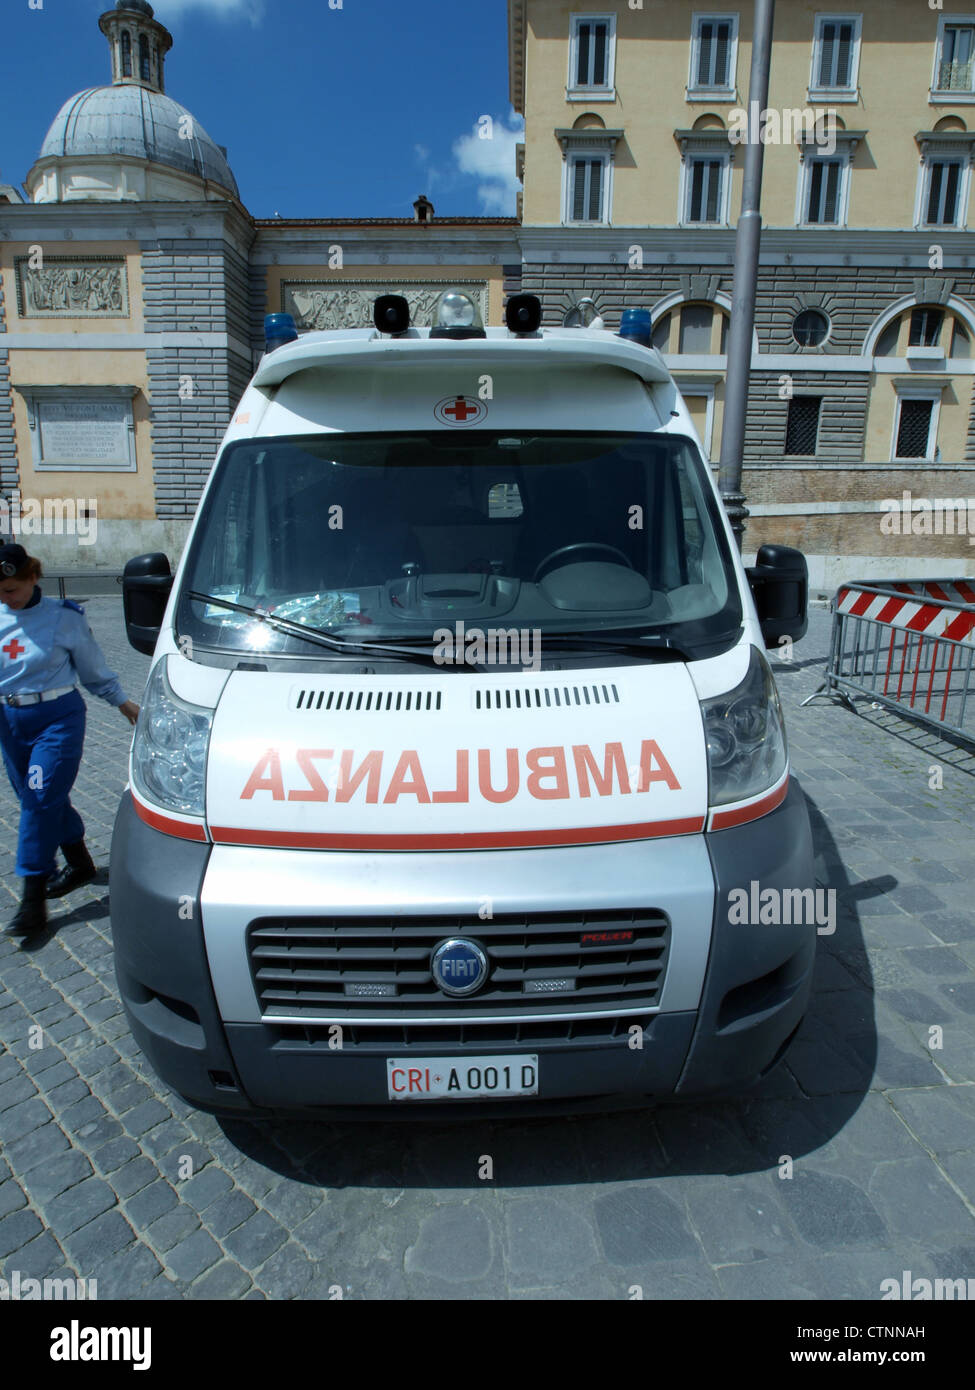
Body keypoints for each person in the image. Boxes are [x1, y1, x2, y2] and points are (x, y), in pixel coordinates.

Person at [0, 544, 139, 939]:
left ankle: (32, 899)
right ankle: (79, 863)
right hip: (9, 720)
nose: (5, 597)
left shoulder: (64, 618)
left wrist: (122, 703)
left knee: (39, 799)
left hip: (57, 718)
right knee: (37, 796)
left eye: (11, 589)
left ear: (33, 577)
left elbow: (92, 668)